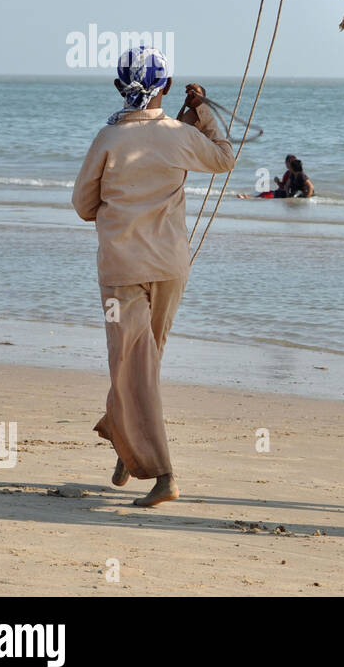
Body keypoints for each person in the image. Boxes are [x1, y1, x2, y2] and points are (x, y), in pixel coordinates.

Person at [71, 45, 236, 507]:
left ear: (120, 86)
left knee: (133, 365)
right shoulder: (177, 134)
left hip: (121, 269)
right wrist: (202, 114)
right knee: (145, 363)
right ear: (164, 86)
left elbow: (83, 207)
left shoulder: (106, 140)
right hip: (169, 266)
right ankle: (124, 434)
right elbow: (224, 159)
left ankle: (162, 474)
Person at [237, 155, 314, 198]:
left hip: (285, 192)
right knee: (267, 192)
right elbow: (286, 186)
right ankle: (251, 197)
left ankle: (250, 198)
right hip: (286, 192)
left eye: (287, 163)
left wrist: (278, 183)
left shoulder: (298, 174)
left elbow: (310, 186)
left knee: (270, 194)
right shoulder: (291, 174)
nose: (286, 165)